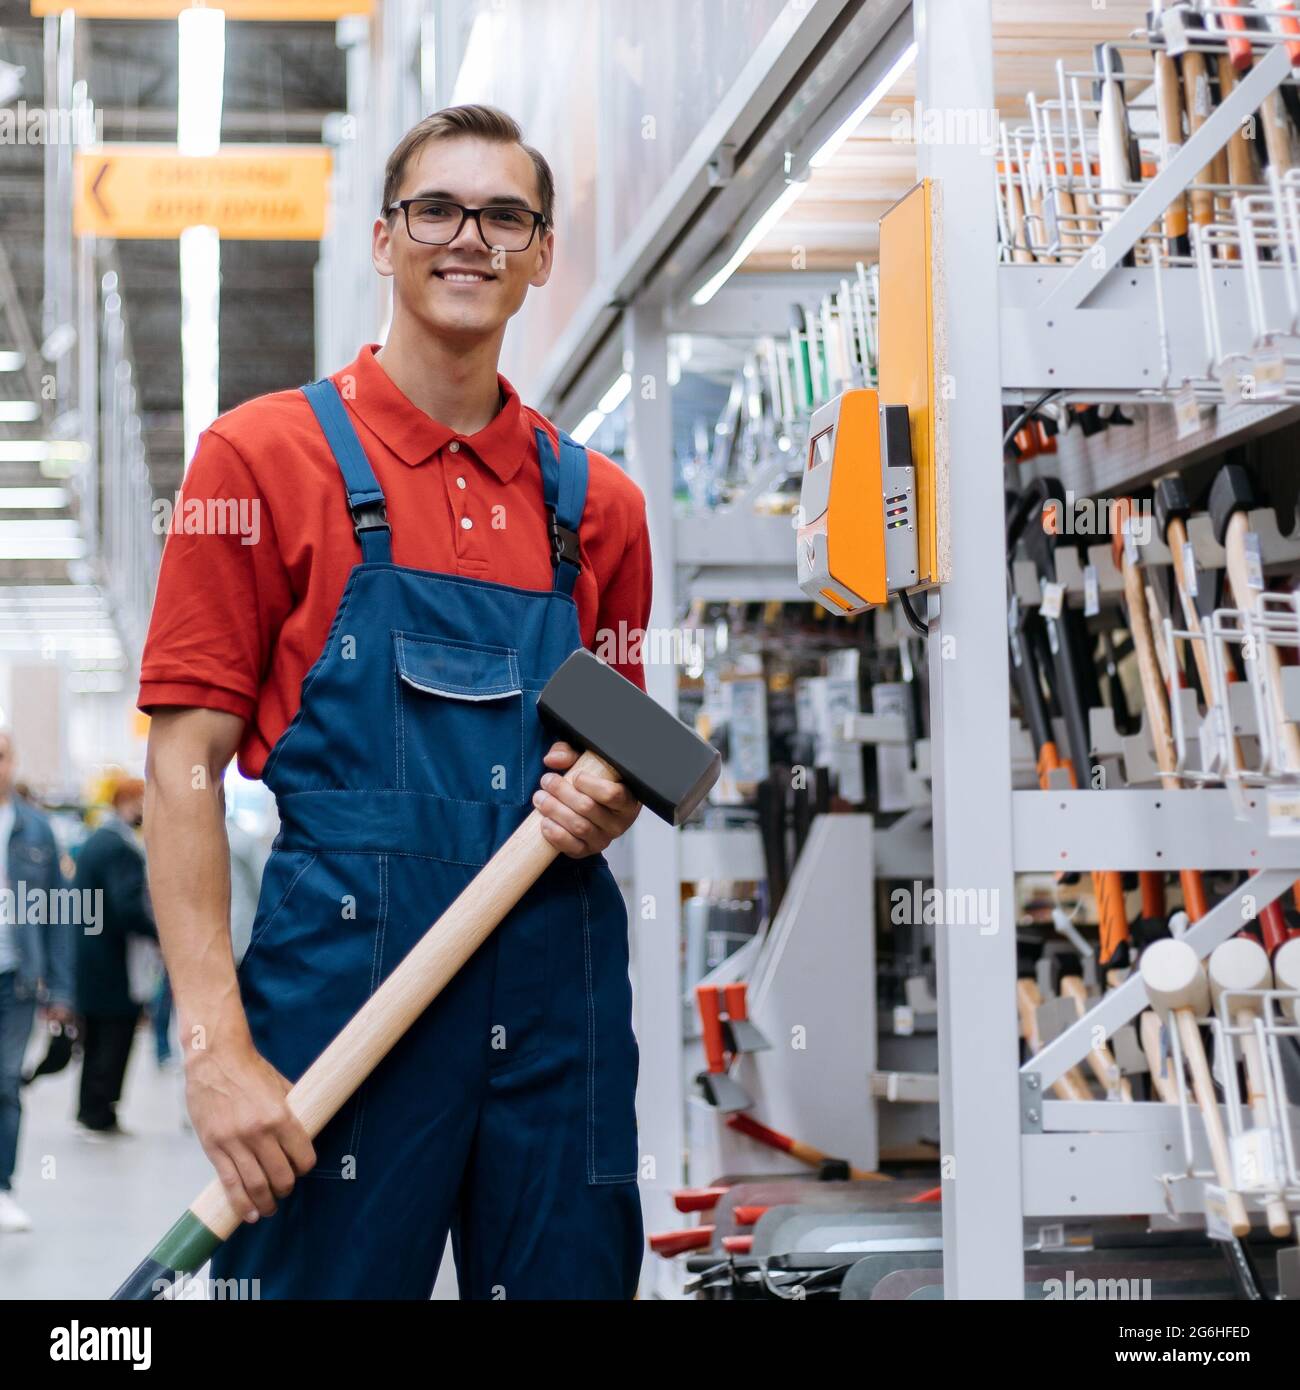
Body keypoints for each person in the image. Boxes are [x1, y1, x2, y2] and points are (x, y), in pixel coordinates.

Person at [138, 105, 652, 1298]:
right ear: (383, 239)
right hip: (339, 992)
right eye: (436, 209)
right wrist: (214, 1051)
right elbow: (182, 770)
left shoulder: (602, 507)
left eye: (505, 215)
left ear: (540, 253)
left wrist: (602, 798)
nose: (468, 238)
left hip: (555, 1001)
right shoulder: (258, 462)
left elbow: (616, 757)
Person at [0, 729, 72, 1233]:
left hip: (17, 981)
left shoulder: (36, 831)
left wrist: (62, 989)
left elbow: (60, 914)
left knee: (5, 1081)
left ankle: (1, 1188)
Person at [72, 778, 154, 1138]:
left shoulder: (95, 842)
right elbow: (127, 907)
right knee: (115, 1036)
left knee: (97, 1039)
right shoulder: (120, 848)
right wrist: (160, 932)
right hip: (114, 962)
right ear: (131, 801)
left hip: (91, 958)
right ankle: (100, 1111)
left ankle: (91, 1109)